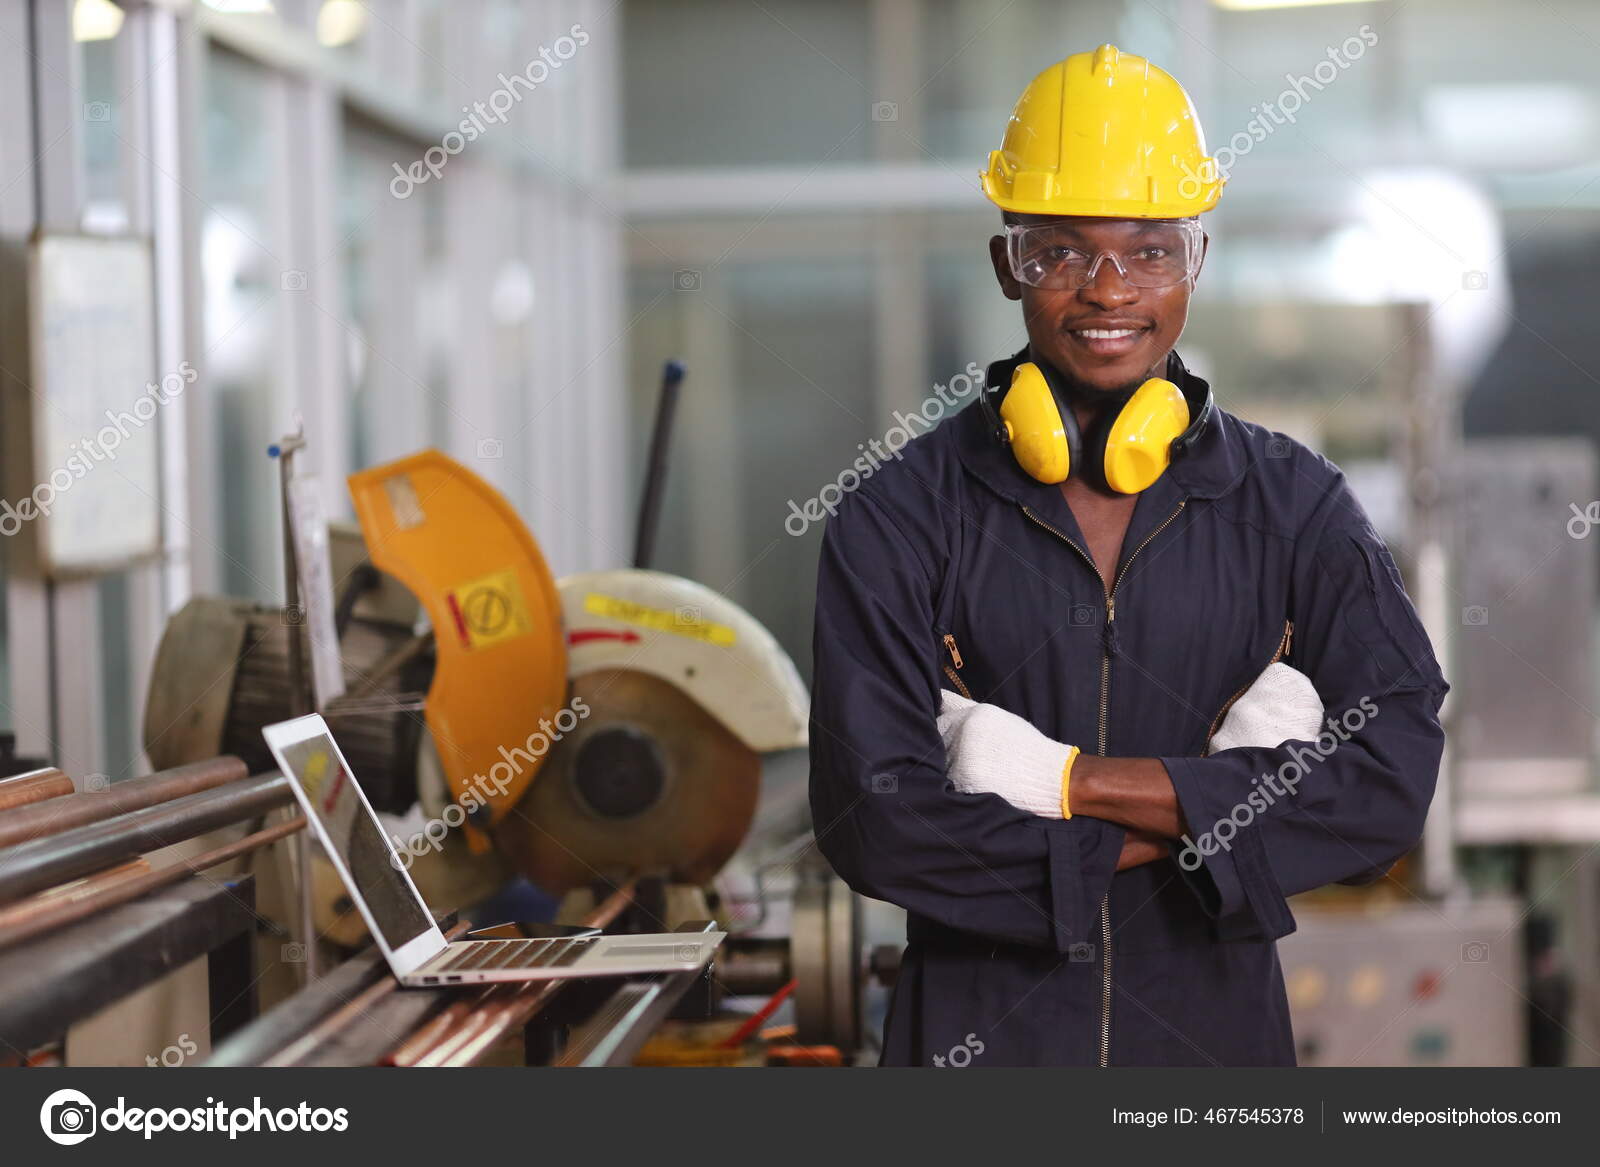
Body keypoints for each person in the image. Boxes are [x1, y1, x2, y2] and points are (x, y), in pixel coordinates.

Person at [807, 44, 1448, 1066]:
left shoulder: (1290, 506)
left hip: (1212, 1048)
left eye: (1150, 250)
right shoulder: (897, 515)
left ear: (1194, 259)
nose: (1109, 290)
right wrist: (1217, 809)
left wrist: (1057, 781)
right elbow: (873, 821)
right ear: (1006, 262)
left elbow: (1389, 778)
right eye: (1063, 251)